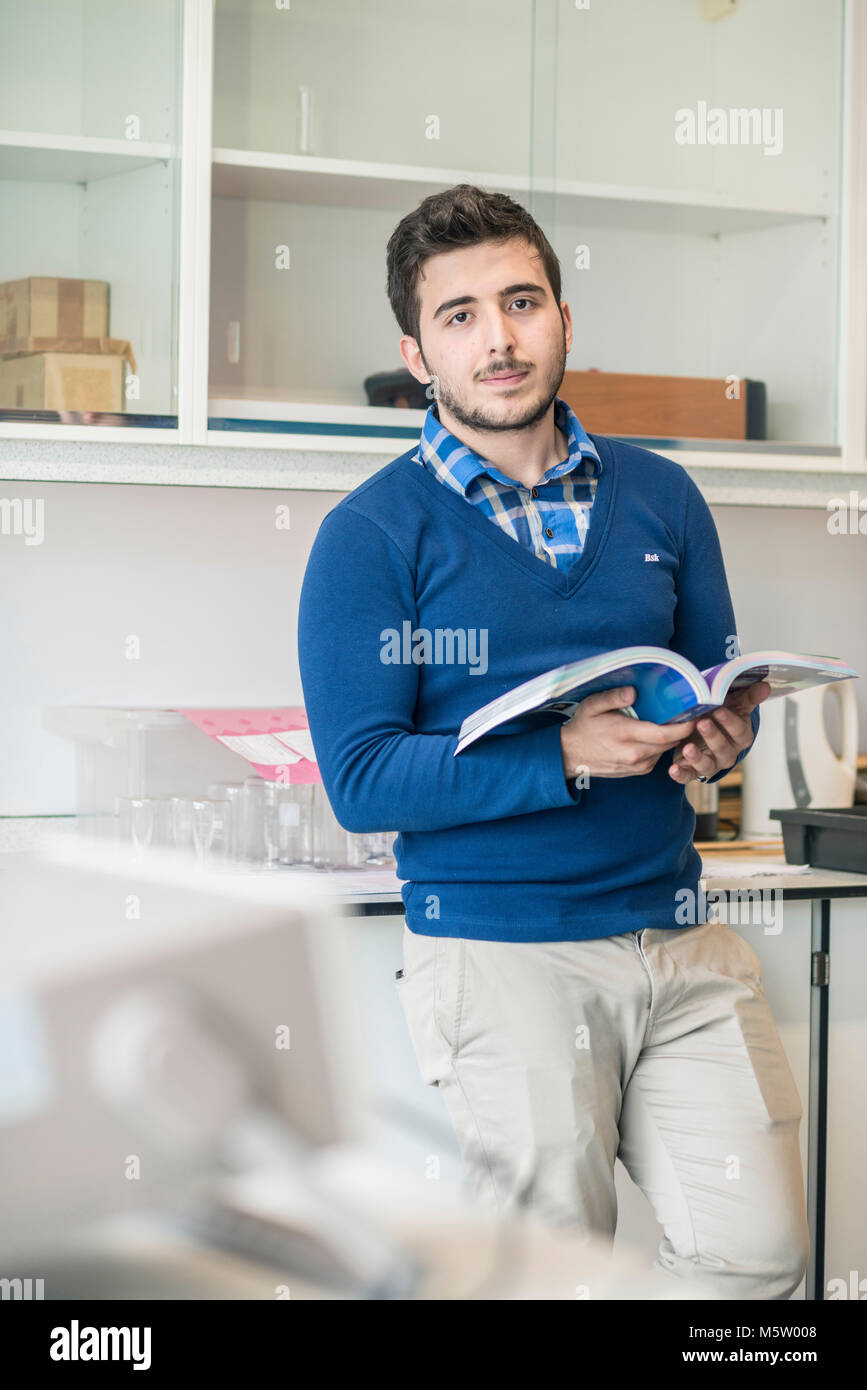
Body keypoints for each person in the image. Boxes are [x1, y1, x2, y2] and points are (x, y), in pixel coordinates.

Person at [297, 184, 809, 1300]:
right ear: (417, 351)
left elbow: (713, 692)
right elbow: (362, 779)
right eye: (462, 314)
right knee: (543, 1281)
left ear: (565, 319)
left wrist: (719, 738)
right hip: (501, 954)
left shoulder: (663, 496)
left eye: (522, 301)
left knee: (759, 1254)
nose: (500, 337)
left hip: (681, 938)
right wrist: (567, 755)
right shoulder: (371, 535)